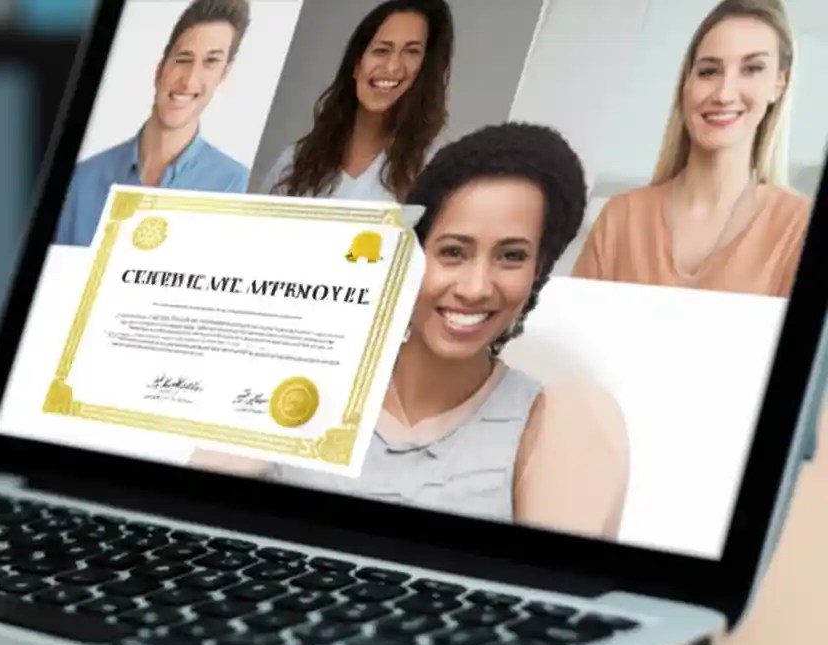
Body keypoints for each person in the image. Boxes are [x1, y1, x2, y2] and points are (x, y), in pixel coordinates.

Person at [193, 122, 630, 540]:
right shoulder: (301, 382)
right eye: (453, 252)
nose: (476, 288)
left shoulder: (562, 417)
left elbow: (548, 605)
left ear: (538, 271)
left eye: (511, 257)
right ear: (411, 253)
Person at [571, 0, 807, 298]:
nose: (723, 94)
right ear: (687, 83)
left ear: (779, 84)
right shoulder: (622, 216)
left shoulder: (799, 227)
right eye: (709, 71)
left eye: (751, 69)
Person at [53, 0, 252, 247]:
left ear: (224, 74)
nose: (189, 80)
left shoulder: (235, 187)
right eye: (183, 59)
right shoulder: (81, 180)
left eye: (210, 62)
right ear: (159, 70)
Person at [258, 0, 454, 203]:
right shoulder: (294, 163)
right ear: (357, 65)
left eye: (412, 52)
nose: (393, 66)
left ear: (426, 68)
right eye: (381, 50)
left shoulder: (438, 167)